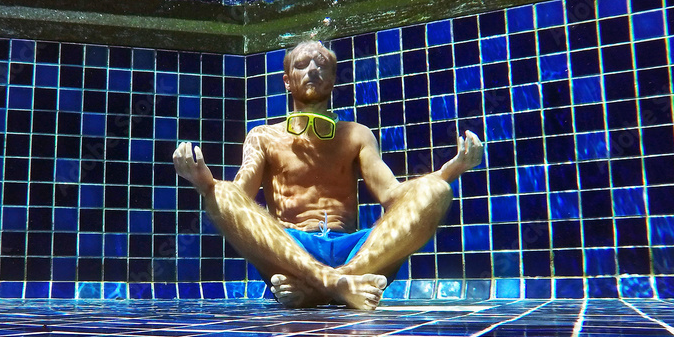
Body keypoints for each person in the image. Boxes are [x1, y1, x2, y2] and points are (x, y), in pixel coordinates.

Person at [173, 40, 483, 311]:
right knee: (220, 193)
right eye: (301, 64)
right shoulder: (262, 136)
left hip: (358, 250)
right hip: (289, 250)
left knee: (437, 191)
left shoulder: (357, 135)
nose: (311, 70)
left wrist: (448, 171)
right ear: (286, 80)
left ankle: (323, 285)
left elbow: (393, 194)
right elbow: (238, 196)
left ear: (333, 80)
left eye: (321, 65)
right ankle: (337, 285)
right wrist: (204, 182)